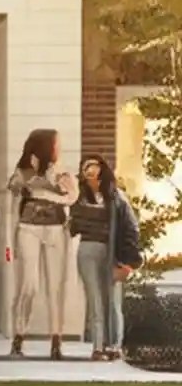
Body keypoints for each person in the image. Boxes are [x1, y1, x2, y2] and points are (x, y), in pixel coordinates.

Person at [6, 129, 80, 359]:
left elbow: (72, 196)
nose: (59, 148)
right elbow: (13, 203)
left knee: (56, 286)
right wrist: (9, 243)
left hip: (56, 229)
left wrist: (51, 189)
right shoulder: (23, 173)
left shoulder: (62, 171)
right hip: (28, 228)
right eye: (56, 144)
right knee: (29, 285)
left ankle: (56, 340)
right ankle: (19, 335)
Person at [68, 154, 143, 360]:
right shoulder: (79, 197)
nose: (90, 172)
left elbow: (131, 228)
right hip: (87, 250)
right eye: (86, 168)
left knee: (113, 299)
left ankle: (114, 346)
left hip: (111, 252)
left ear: (102, 171)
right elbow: (71, 227)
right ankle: (98, 347)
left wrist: (129, 263)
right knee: (95, 300)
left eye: (93, 167)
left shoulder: (116, 197)